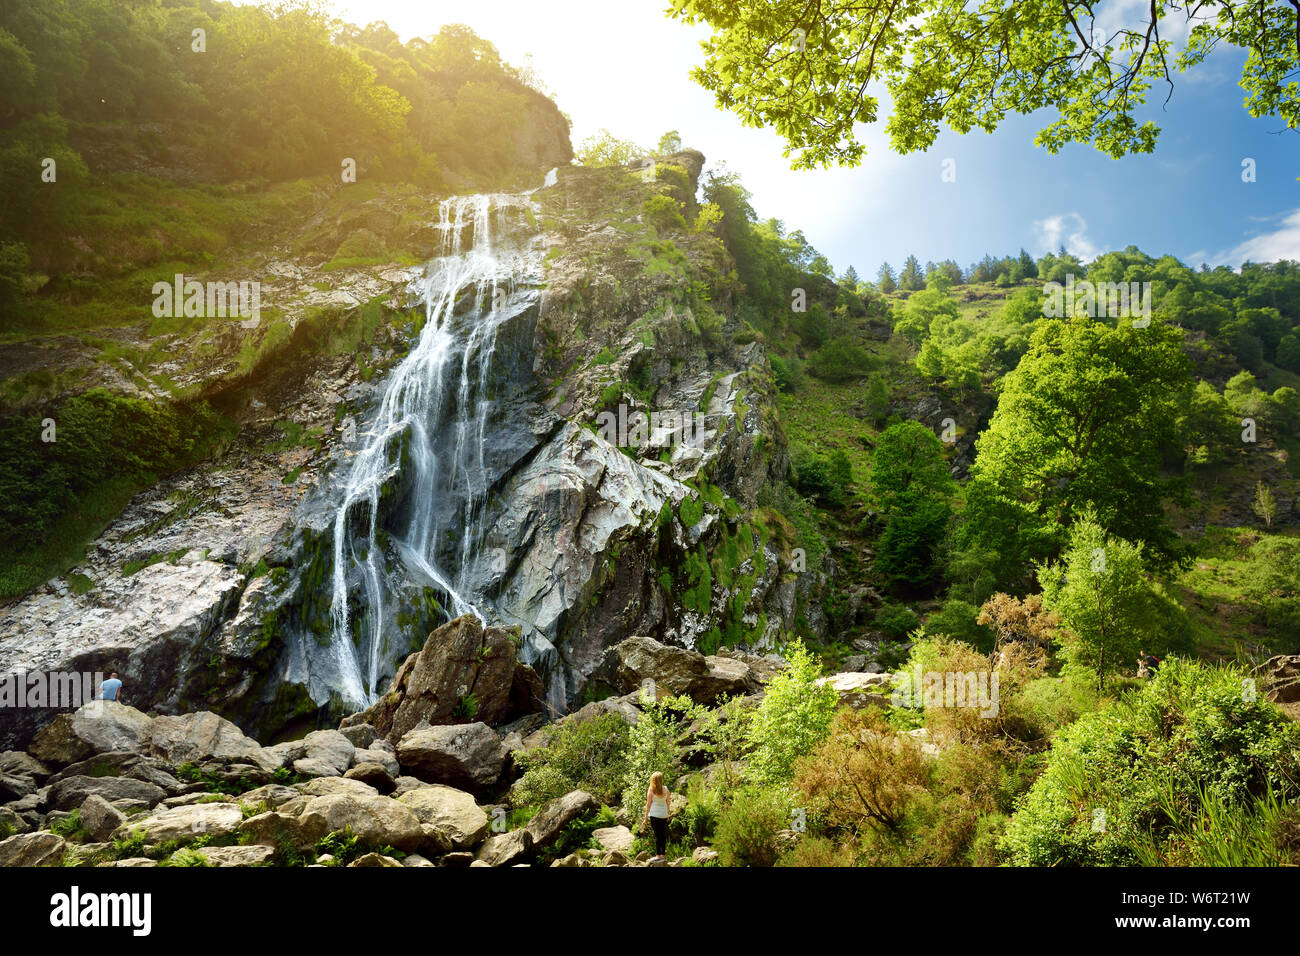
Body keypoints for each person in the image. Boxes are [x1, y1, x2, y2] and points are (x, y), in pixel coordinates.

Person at [642, 771, 670, 861]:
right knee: (663, 835)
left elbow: (648, 805)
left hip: (654, 815)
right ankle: (663, 855)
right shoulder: (665, 789)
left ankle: (658, 855)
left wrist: (645, 818)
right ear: (661, 780)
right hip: (663, 815)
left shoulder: (651, 790)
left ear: (653, 780)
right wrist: (668, 812)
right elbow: (668, 802)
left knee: (657, 835)